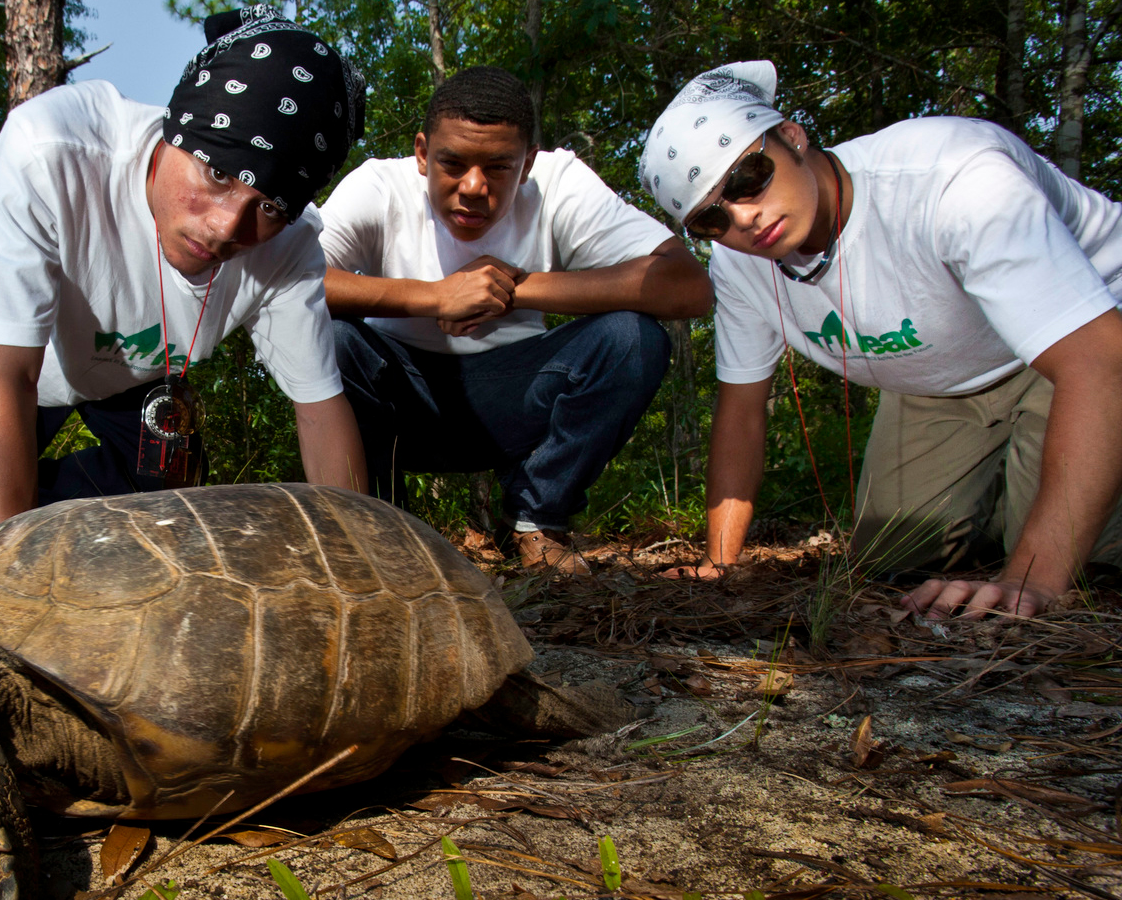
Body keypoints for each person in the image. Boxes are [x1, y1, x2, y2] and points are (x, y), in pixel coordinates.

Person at [639, 61, 1122, 618]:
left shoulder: (953, 177)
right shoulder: (740, 265)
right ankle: (1007, 502)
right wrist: (720, 564)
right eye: (711, 220)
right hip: (939, 379)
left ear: (793, 137)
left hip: (1081, 336)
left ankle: (1026, 520)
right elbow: (743, 408)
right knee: (891, 555)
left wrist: (1032, 577)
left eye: (748, 179)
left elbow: (1098, 364)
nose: (743, 218)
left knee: (1071, 565)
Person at [0, 5, 370, 535]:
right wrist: (9, 572)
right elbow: (7, 376)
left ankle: (40, 515)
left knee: (169, 505)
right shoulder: (52, 152)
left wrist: (355, 559)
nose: (223, 228)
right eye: (216, 172)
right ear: (176, 126)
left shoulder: (291, 247)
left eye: (267, 208)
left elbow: (319, 410)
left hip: (120, 351)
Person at [318, 66, 712, 574]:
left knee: (632, 338)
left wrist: (514, 288)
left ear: (527, 164)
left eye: (498, 167)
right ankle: (379, 529)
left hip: (514, 398)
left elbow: (687, 285)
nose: (473, 187)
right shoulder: (378, 186)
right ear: (421, 153)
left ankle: (535, 520)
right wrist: (437, 297)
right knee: (330, 337)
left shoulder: (559, 184)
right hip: (401, 402)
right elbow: (299, 281)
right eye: (453, 163)